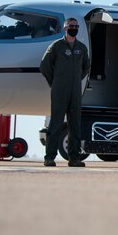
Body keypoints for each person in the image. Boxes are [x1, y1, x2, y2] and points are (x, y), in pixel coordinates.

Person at [40, 18, 91, 167]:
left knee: (75, 125)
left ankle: (74, 158)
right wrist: (55, 82)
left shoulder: (81, 48)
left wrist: (75, 80)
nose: (73, 28)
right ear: (65, 28)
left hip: (75, 92)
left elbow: (86, 67)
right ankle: (49, 157)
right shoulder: (56, 46)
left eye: (76, 26)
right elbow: (44, 66)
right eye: (71, 26)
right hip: (59, 91)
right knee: (55, 125)